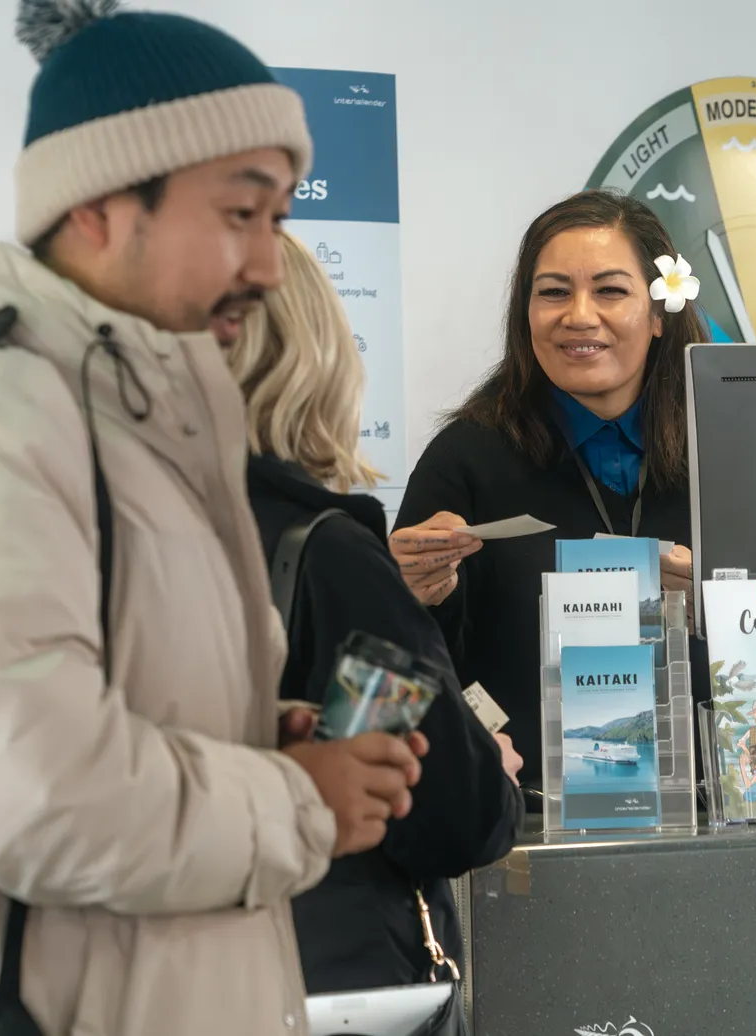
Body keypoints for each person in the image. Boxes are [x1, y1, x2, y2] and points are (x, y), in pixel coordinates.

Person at [0, 4, 422, 1034]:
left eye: (279, 218)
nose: (269, 266)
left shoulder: (143, 404)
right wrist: (297, 801)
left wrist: (254, 739)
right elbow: (25, 785)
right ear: (96, 202)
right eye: (239, 213)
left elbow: (75, 702)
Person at [226, 231, 524, 992]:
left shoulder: (107, 536)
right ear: (317, 353)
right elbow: (430, 806)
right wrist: (487, 770)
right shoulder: (330, 562)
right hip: (322, 983)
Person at [391, 190, 709, 788]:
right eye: (554, 292)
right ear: (525, 313)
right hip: (526, 816)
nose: (579, 315)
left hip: (714, 810)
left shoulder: (724, 448)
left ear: (660, 309)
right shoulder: (467, 457)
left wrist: (720, 606)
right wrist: (413, 595)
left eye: (611, 290)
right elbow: (409, 674)